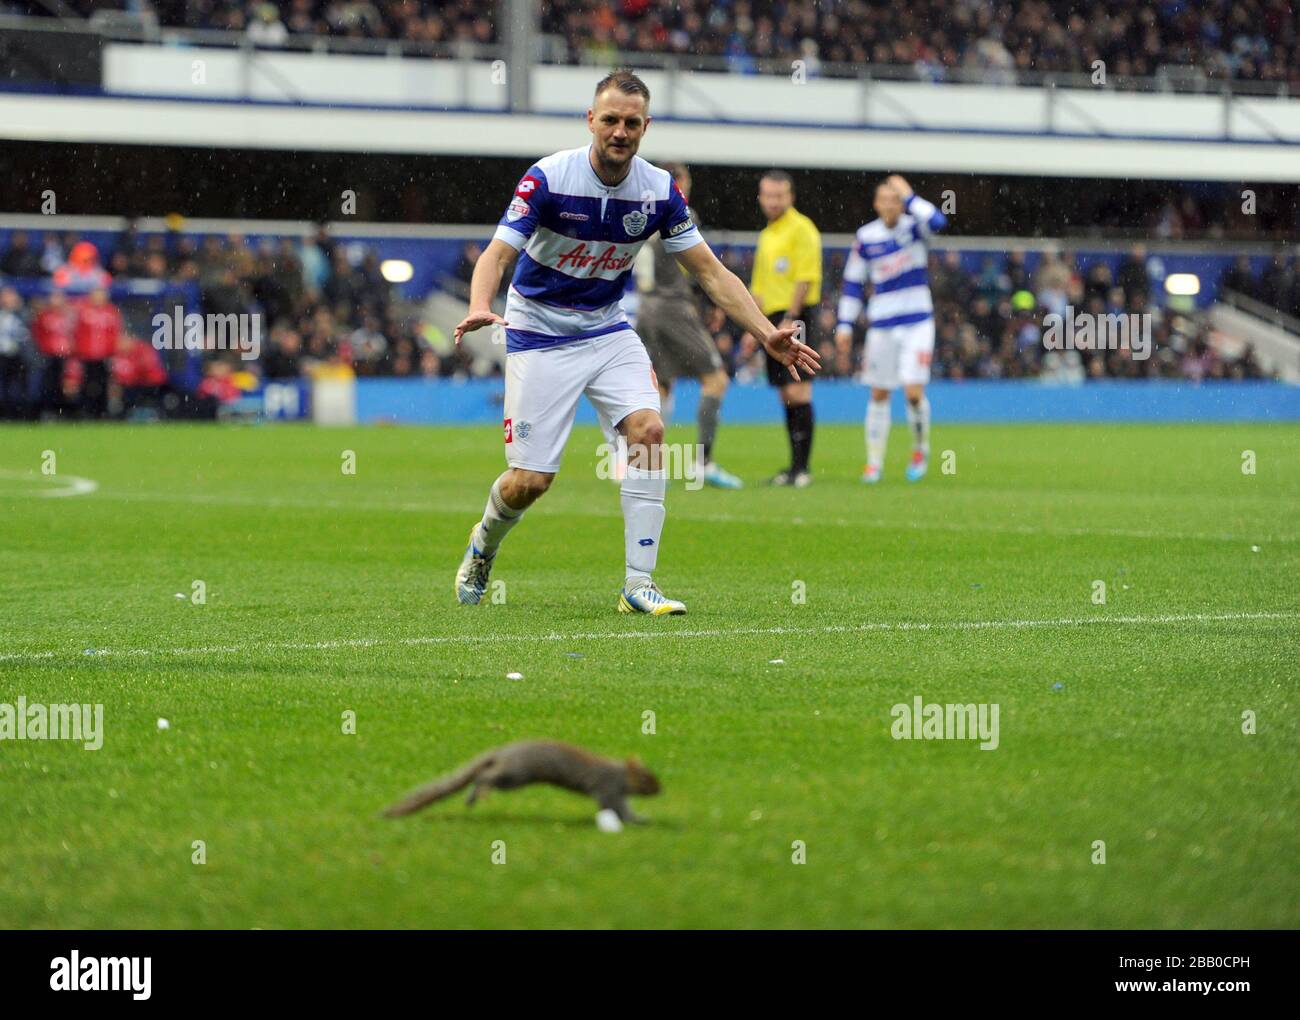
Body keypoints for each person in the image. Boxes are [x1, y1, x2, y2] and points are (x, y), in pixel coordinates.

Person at [452, 69, 819, 615]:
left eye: (631, 122)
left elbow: (712, 275)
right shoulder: (548, 178)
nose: (619, 131)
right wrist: (482, 303)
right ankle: (484, 542)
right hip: (538, 331)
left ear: (645, 126)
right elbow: (498, 254)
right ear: (590, 121)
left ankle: (637, 583)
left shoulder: (658, 191)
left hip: (606, 328)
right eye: (610, 120)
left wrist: (767, 333)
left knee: (648, 429)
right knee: (531, 481)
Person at [630, 162, 742, 489]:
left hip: (646, 306)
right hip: (673, 306)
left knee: (660, 385)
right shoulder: (679, 212)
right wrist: (711, 303)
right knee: (716, 380)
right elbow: (698, 266)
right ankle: (702, 463)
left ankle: (643, 463)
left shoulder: (637, 214)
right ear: (677, 182)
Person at [835, 174, 948, 483]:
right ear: (875, 203)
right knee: (879, 392)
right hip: (882, 324)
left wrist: (911, 196)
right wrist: (845, 324)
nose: (890, 205)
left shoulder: (915, 227)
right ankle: (874, 462)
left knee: (913, 392)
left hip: (917, 321)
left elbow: (940, 221)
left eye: (896, 199)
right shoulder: (866, 237)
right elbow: (853, 282)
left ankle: (920, 449)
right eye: (885, 199)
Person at [750, 169, 823, 487]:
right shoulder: (767, 235)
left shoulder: (802, 228)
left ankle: (802, 469)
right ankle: (794, 467)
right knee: (785, 394)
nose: (773, 201)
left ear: (790, 196)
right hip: (770, 319)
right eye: (768, 195)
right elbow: (759, 285)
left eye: (779, 195)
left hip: (796, 316)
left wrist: (791, 317)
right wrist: (752, 327)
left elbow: (805, 277)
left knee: (798, 389)